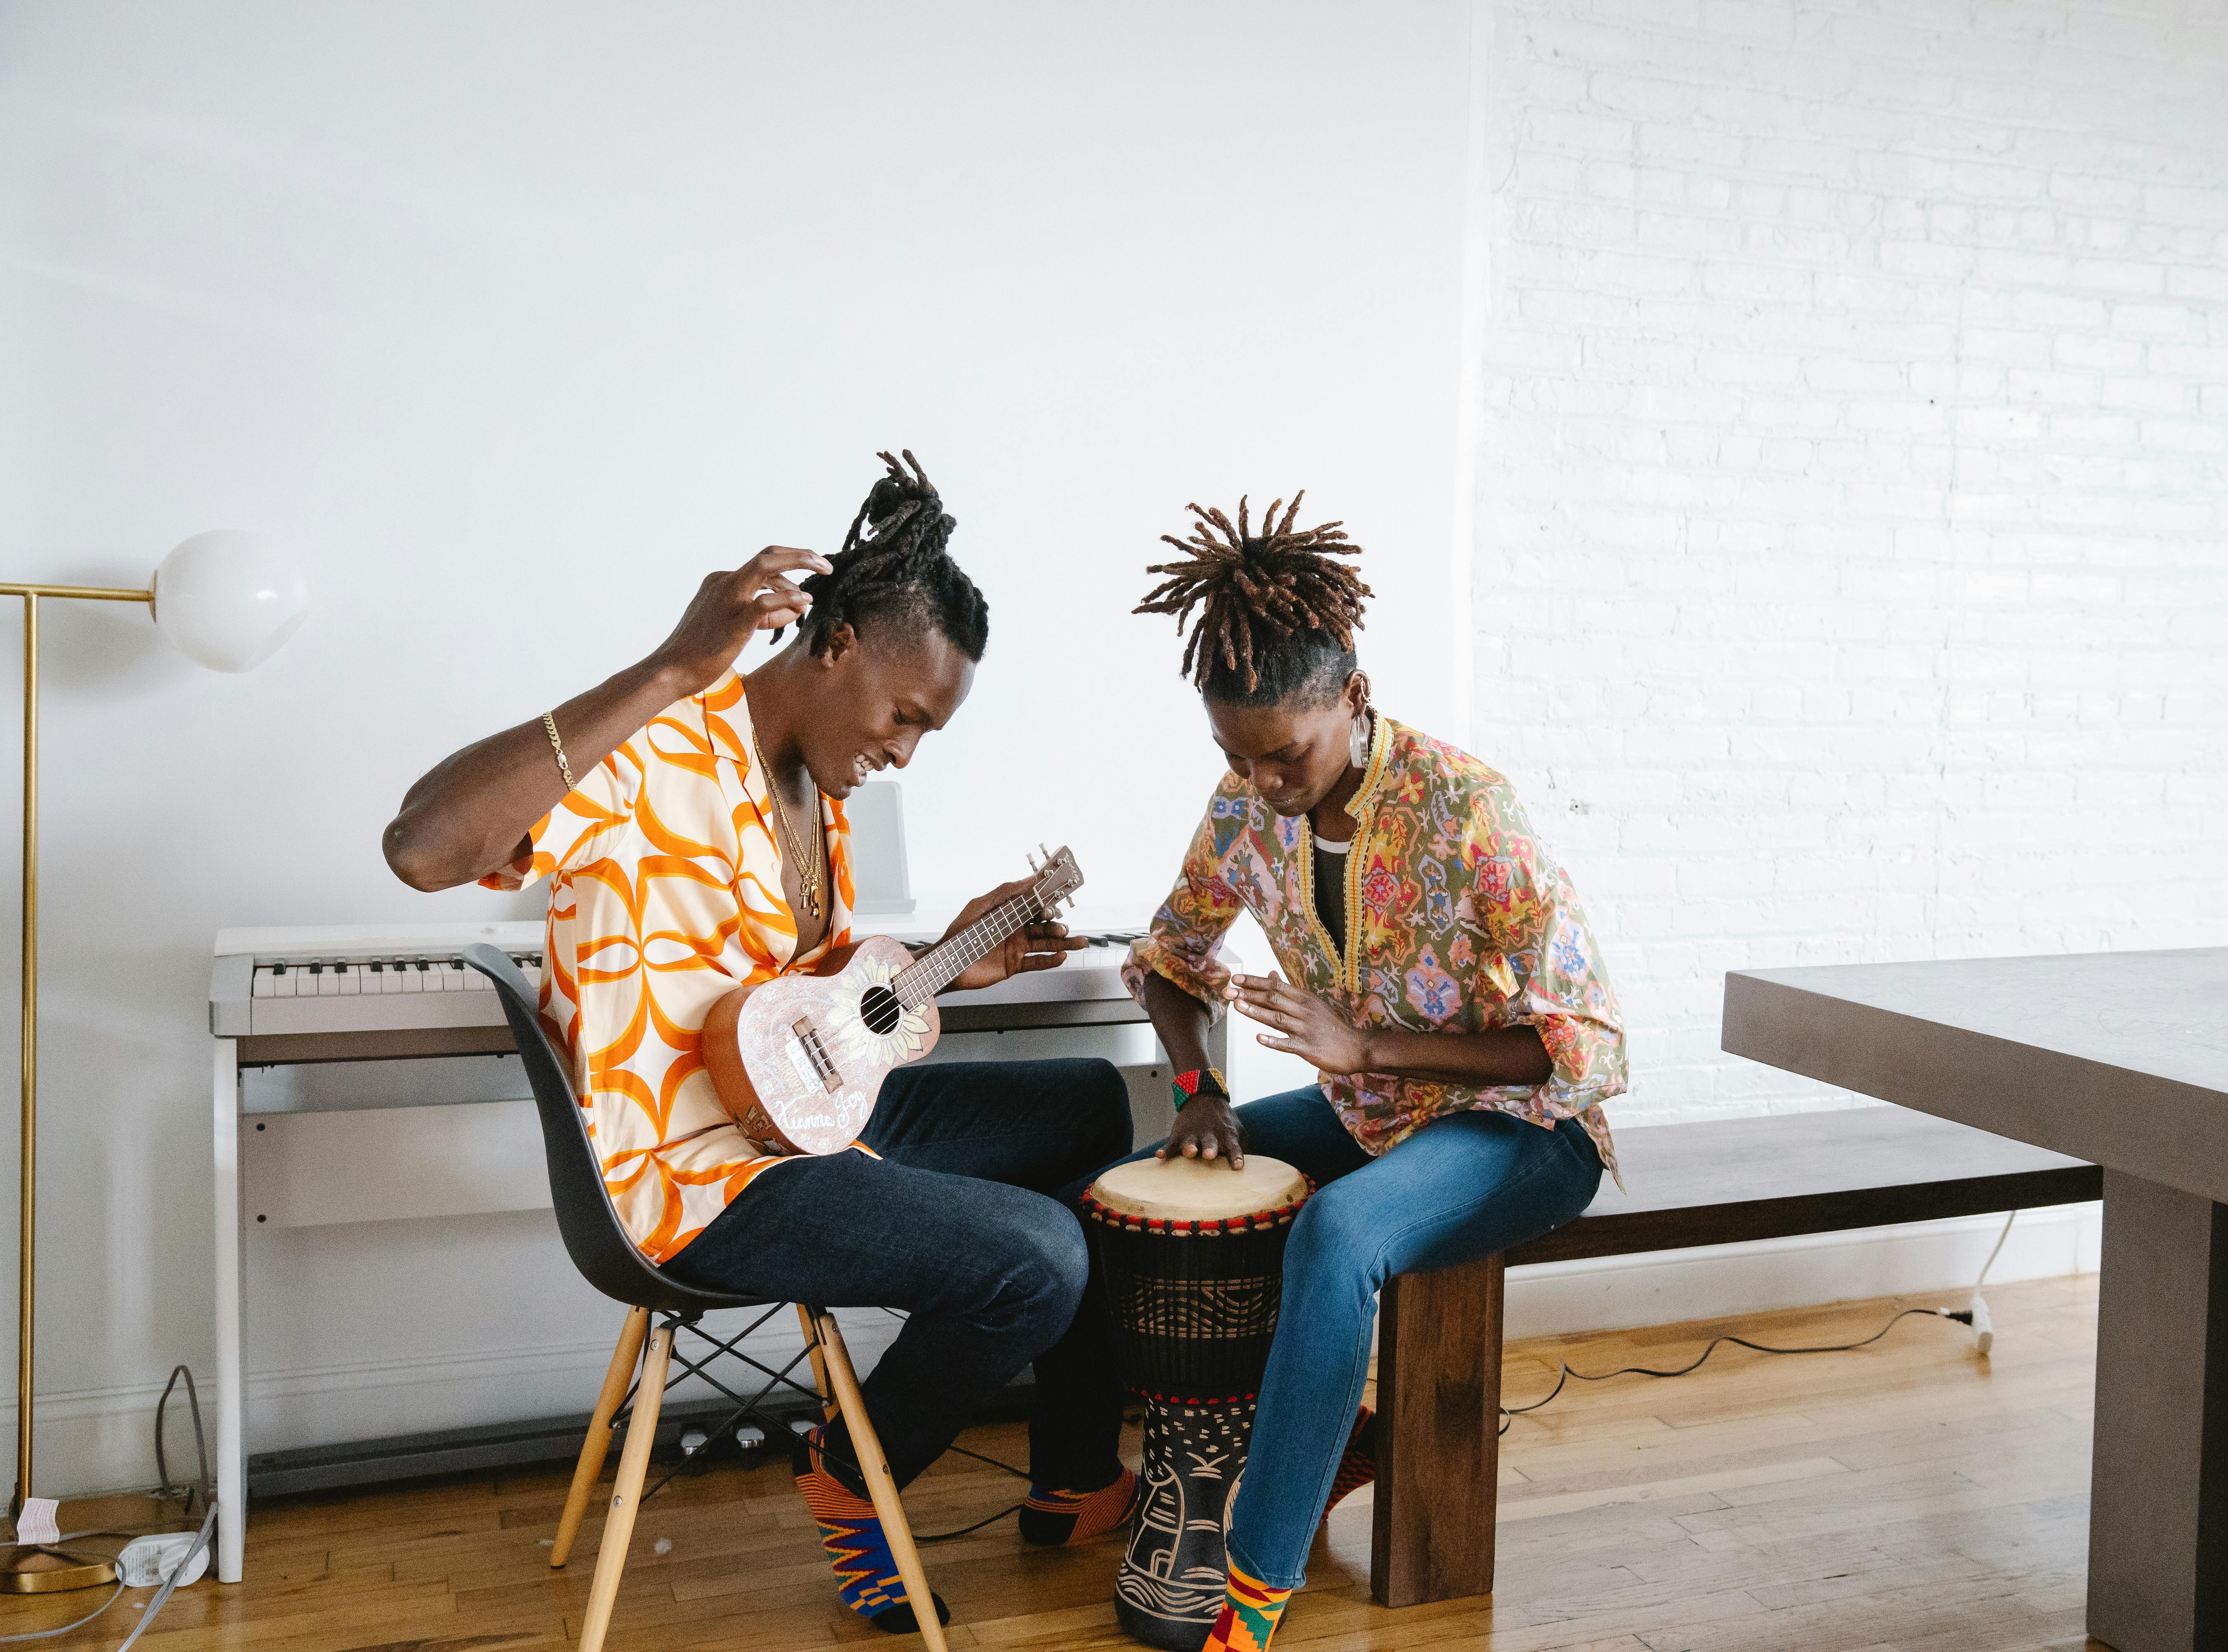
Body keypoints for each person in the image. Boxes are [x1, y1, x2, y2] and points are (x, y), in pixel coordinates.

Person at [381, 452, 1139, 1636]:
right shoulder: (653, 752)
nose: (908, 752)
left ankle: (1075, 1476)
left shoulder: (818, 797)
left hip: (789, 1120)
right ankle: (855, 1478)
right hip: (692, 1176)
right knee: (1039, 1256)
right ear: (833, 646)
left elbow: (798, 1012)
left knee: (1095, 1103)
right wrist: (673, 665)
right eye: (906, 716)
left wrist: (943, 961)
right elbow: (425, 846)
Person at [1121, 494, 1627, 1652]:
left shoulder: (1467, 808)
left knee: (1340, 1236)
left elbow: (1588, 1046)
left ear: (1353, 698)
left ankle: (1251, 1594)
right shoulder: (1247, 806)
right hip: (1373, 1113)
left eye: (1283, 752)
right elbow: (1168, 959)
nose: (1261, 780)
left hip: (1523, 1128)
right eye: (1233, 755)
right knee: (1170, 1189)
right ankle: (1163, 1481)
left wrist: (1372, 1046)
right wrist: (1200, 1094)